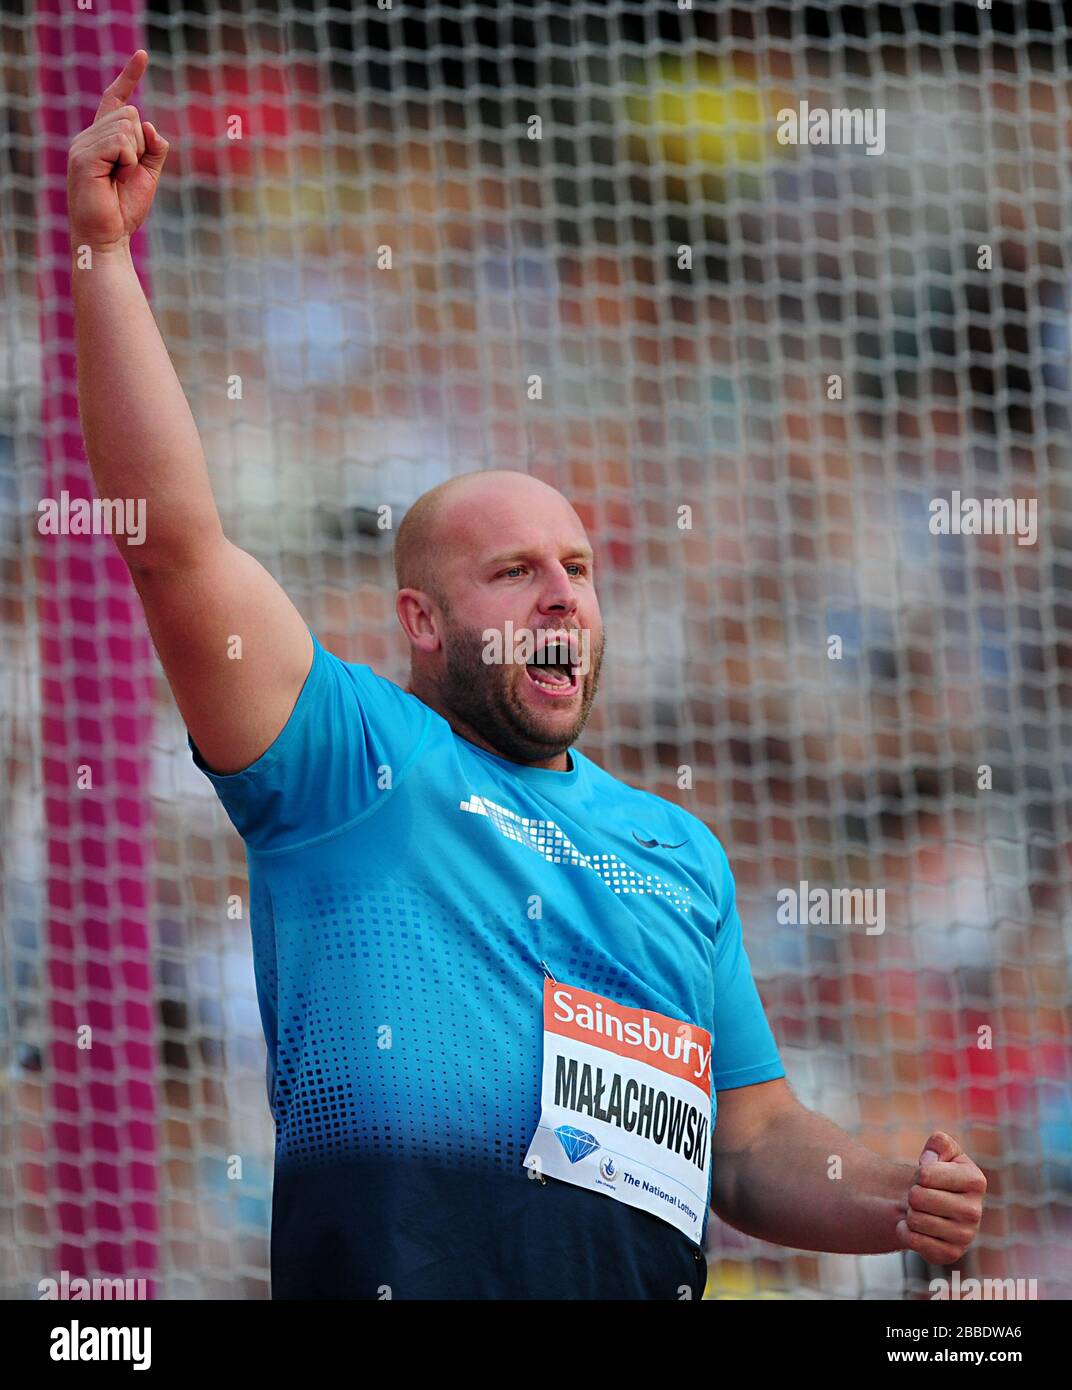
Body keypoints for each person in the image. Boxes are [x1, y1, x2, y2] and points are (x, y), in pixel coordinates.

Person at [67, 50, 987, 1299]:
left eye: (580, 565)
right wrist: (105, 257)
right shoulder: (351, 756)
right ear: (422, 621)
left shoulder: (679, 853)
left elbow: (755, 1142)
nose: (561, 590)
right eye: (513, 571)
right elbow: (173, 546)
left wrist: (889, 1193)